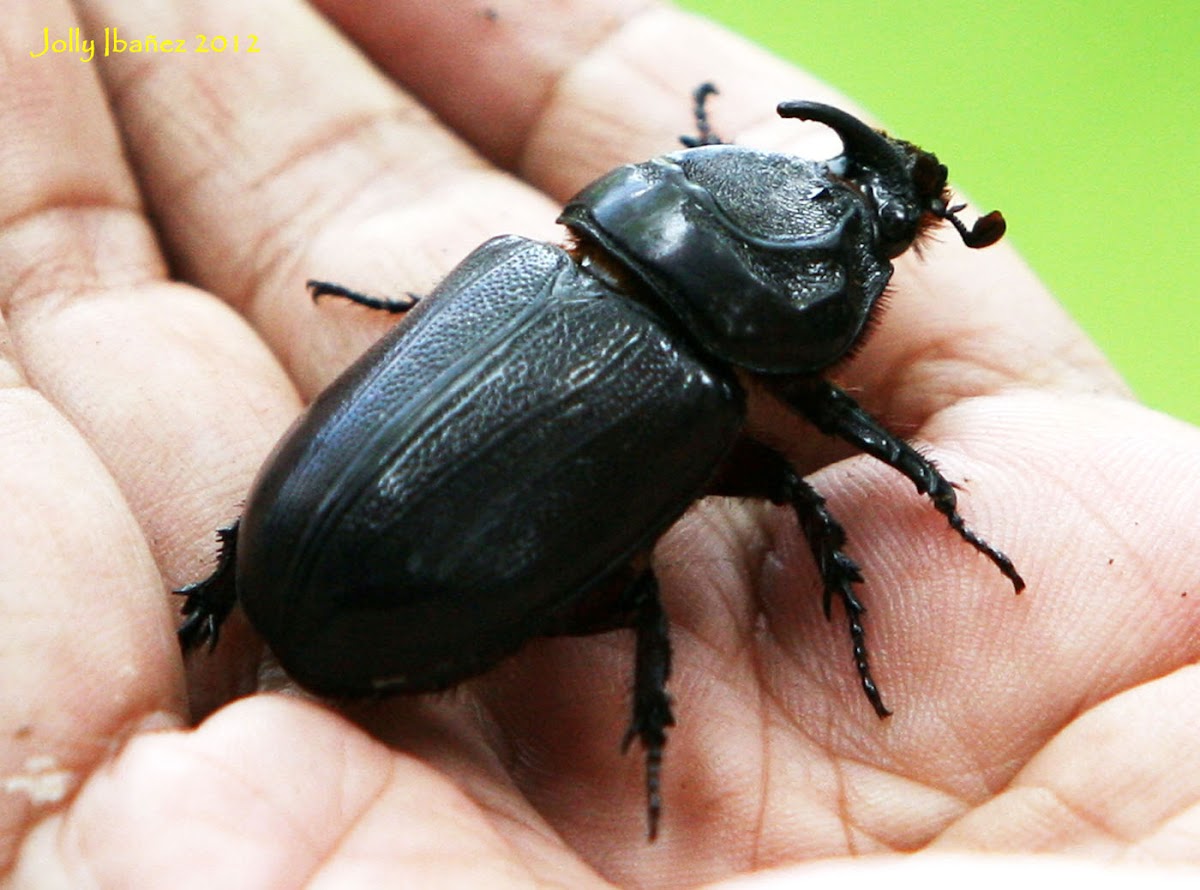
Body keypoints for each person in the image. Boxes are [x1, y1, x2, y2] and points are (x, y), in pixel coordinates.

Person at [3, 1, 1198, 886]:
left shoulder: (531, 274)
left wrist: (947, 497)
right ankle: (632, 758)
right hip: (380, 591)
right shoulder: (689, 393)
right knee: (657, 592)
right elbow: (842, 436)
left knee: (703, 534)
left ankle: (223, 597)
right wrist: (932, 491)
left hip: (343, 567)